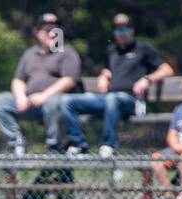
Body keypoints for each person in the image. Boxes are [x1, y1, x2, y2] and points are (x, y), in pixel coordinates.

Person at [61, 13, 173, 158]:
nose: (121, 34)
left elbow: (167, 69)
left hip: (130, 101)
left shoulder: (143, 48)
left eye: (125, 30)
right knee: (67, 102)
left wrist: (148, 79)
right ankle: (78, 144)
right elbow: (108, 69)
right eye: (118, 30)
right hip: (107, 99)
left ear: (132, 30)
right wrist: (103, 76)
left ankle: (108, 145)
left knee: (113, 99)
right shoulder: (112, 50)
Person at [0, 13, 82, 156]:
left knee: (54, 102)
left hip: (57, 105)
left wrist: (44, 96)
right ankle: (16, 144)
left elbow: (69, 80)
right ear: (37, 32)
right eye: (47, 30)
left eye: (56, 30)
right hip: (31, 104)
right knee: (0, 101)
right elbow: (18, 80)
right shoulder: (30, 53)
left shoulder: (66, 52)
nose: (52, 34)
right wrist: (21, 97)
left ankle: (54, 148)